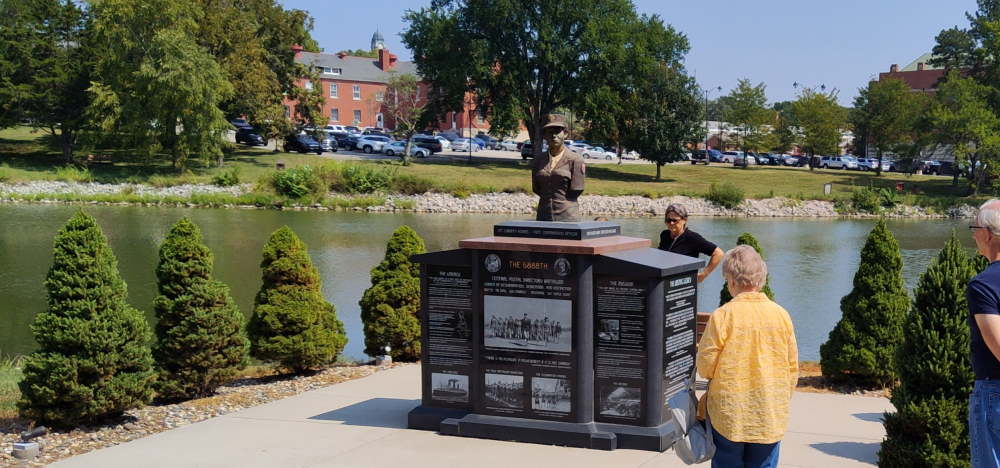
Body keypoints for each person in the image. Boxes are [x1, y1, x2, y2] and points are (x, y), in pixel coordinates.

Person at [697, 245, 798, 468]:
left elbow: (705, 367)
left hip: (729, 413)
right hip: (769, 410)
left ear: (732, 280)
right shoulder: (782, 315)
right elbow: (792, 368)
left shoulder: (723, 316)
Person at [969, 198, 1000, 467]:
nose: (975, 235)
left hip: (995, 392)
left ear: (987, 234)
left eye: (974, 228)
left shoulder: (984, 284)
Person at [532, 114, 586, 222]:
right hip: (544, 217)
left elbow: (576, 190)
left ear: (565, 134)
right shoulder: (539, 160)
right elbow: (536, 188)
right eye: (549, 132)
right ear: (544, 135)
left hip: (567, 217)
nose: (553, 136)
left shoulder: (575, 160)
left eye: (557, 131)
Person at [658, 203, 724, 283]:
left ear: (684, 220)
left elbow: (718, 254)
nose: (671, 223)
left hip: (684, 285)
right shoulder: (664, 235)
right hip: (665, 282)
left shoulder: (692, 238)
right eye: (668, 220)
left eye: (675, 220)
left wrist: (703, 275)